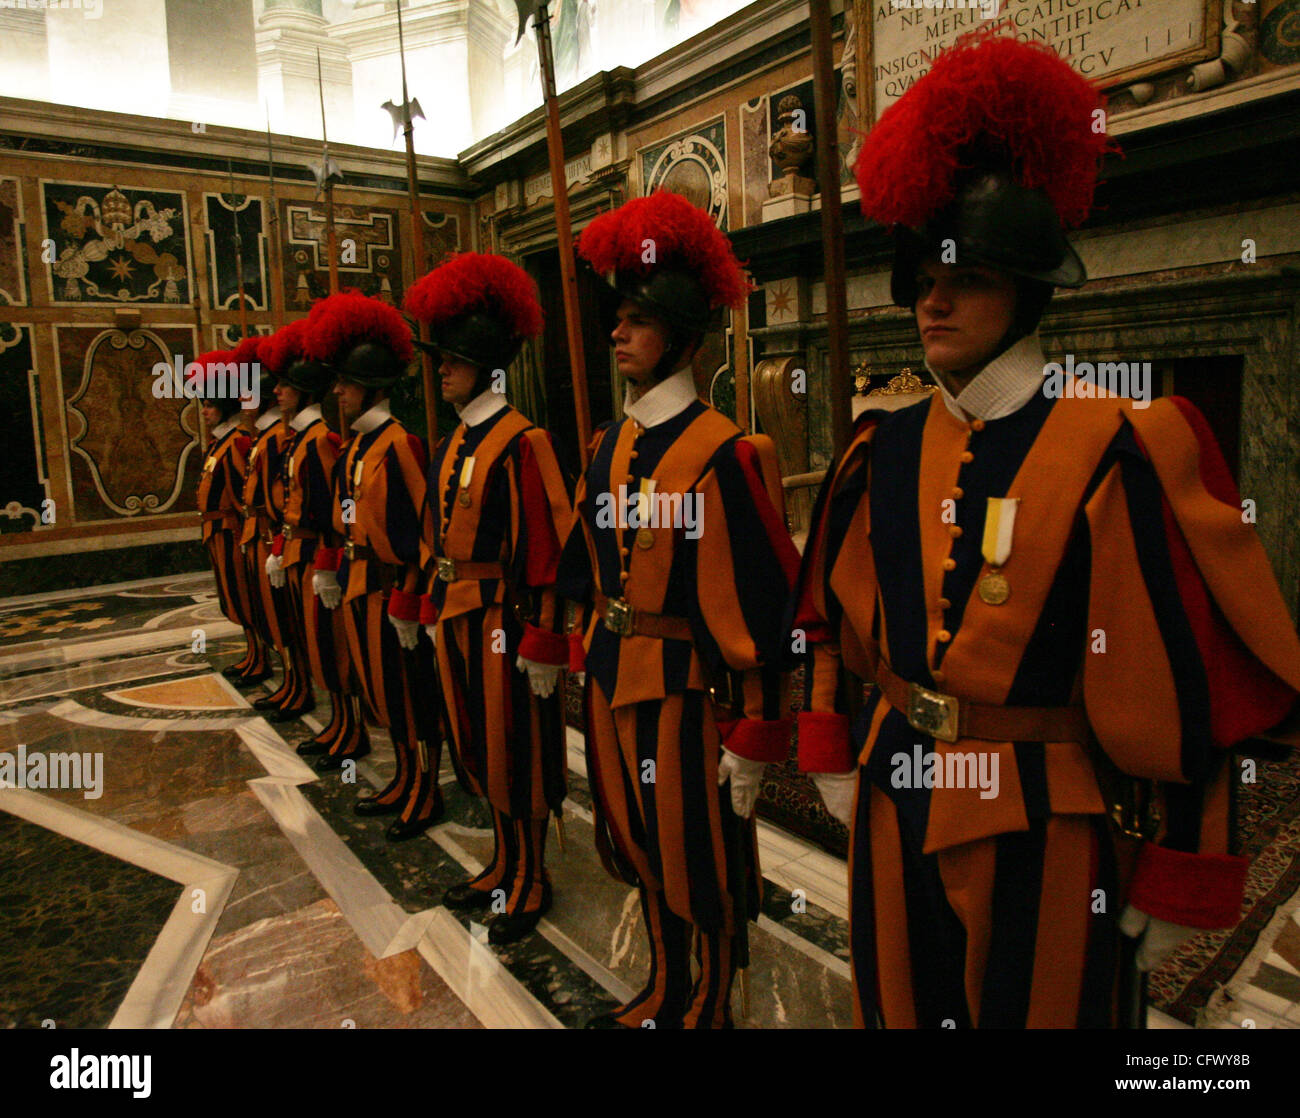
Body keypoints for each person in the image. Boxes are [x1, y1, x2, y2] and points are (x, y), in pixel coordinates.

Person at [793, 26, 1300, 1028]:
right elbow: (830, 625)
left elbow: (1193, 690)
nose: (933, 299)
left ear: (1026, 289)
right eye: (920, 277)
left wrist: (1182, 867)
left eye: (967, 276)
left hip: (1051, 821)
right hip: (897, 784)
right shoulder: (877, 453)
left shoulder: (1119, 451)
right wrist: (828, 746)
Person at [559, 191, 799, 1028]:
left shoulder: (727, 454)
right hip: (612, 676)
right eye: (616, 317)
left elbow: (769, 606)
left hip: (690, 694)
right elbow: (586, 567)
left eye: (637, 319)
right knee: (638, 841)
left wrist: (757, 732)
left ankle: (713, 1001)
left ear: (684, 338)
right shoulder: (605, 447)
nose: (617, 332)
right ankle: (666, 983)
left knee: (704, 856)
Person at [404, 253, 572, 944]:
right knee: (477, 744)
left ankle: (532, 872)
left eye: (450, 360)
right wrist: (423, 603)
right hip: (459, 617)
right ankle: (503, 858)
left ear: (483, 365)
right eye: (438, 358)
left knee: (519, 751)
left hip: (506, 620)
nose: (439, 370)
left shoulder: (523, 442)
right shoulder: (452, 444)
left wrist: (545, 639)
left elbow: (549, 550)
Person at [300, 291, 443, 839]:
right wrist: (331, 566)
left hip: (393, 591)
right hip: (359, 587)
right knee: (379, 691)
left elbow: (427, 533)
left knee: (410, 695)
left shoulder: (400, 443)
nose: (337, 391)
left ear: (374, 387)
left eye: (347, 382)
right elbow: (342, 517)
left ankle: (425, 787)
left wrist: (415, 597)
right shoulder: (356, 447)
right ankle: (404, 775)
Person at [263, 318, 368, 759]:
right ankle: (337, 721)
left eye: (285, 387)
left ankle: (352, 727)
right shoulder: (298, 439)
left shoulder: (319, 441)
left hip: (316, 554)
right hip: (298, 551)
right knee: (316, 644)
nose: (276, 393)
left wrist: (327, 564)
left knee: (335, 647)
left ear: (303, 393)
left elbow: (332, 513)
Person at [232, 333, 298, 709]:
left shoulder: (275, 438)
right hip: (261, 532)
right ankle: (290, 679)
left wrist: (277, 540)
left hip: (276, 535)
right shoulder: (264, 437)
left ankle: (298, 682)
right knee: (269, 613)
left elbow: (280, 494)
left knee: (286, 618)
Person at [192, 347, 262, 683]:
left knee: (244, 598)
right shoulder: (219, 443)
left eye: (209, 405)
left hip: (231, 531)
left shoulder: (236, 442)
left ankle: (260, 656)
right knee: (231, 597)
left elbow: (243, 495)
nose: (204, 411)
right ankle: (252, 653)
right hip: (216, 531)